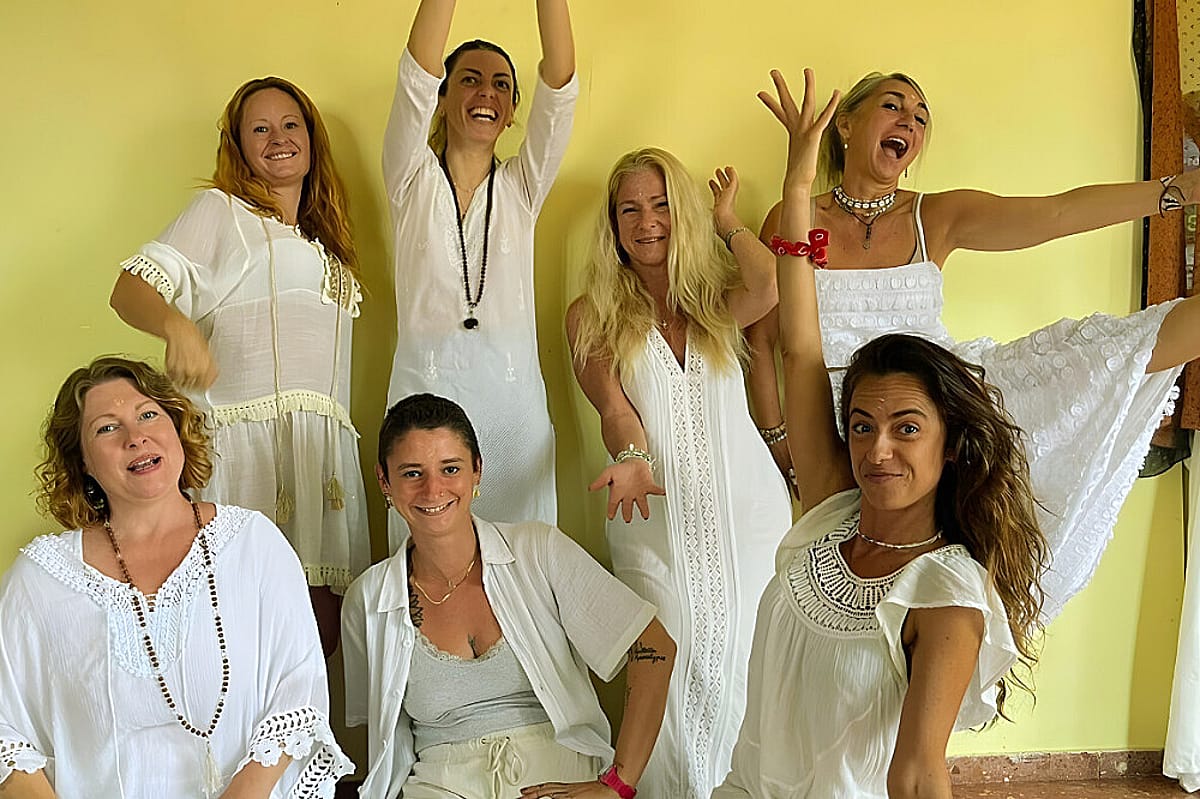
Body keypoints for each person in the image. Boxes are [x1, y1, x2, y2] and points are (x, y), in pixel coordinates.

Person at [746, 69, 1200, 620]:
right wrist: (779, 444)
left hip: (939, 406)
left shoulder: (933, 214)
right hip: (841, 422)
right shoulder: (794, 217)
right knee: (865, 598)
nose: (909, 122)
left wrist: (1172, 193)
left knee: (1091, 351)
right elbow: (768, 339)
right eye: (893, 107)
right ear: (845, 123)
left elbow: (1055, 213)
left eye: (919, 118)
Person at [714, 70, 1049, 799]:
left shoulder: (946, 593)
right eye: (861, 425)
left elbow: (921, 775)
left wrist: (1172, 191)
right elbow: (799, 349)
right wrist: (798, 188)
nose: (876, 449)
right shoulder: (833, 510)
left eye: (905, 427)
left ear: (951, 442)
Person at [0, 356, 353, 798]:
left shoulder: (253, 545)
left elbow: (298, 694)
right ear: (83, 461)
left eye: (148, 414)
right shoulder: (41, 580)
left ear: (177, 427)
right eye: (107, 428)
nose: (136, 437)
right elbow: (5, 736)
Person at [108, 76, 369, 655]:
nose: (278, 138)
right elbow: (129, 289)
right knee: (236, 634)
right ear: (239, 145)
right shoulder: (221, 211)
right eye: (260, 128)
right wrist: (177, 326)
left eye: (290, 124)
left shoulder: (324, 243)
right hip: (251, 459)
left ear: (311, 138)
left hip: (318, 461)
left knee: (319, 636)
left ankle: (294, 749)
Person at [567, 148, 792, 799]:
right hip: (653, 515)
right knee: (670, 657)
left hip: (747, 516)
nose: (647, 221)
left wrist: (726, 219)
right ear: (613, 225)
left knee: (750, 658)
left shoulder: (718, 301)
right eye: (630, 208)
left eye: (662, 204)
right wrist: (632, 460)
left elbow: (769, 284)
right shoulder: (593, 314)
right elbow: (614, 408)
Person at [342, 393, 674, 799]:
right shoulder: (367, 599)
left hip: (559, 773)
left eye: (450, 468)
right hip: (440, 784)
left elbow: (654, 644)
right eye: (412, 473)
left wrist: (619, 783)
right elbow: (376, 732)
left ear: (477, 471)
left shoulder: (538, 551)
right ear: (384, 480)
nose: (433, 489)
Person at [382, 0, 576, 553]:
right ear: (442, 101)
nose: (485, 93)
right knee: (424, 562)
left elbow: (560, 85)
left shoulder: (523, 187)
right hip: (423, 401)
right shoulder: (409, 177)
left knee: (522, 567)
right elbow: (415, 74)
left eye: (500, 85)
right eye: (468, 80)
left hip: (513, 411)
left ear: (514, 111)